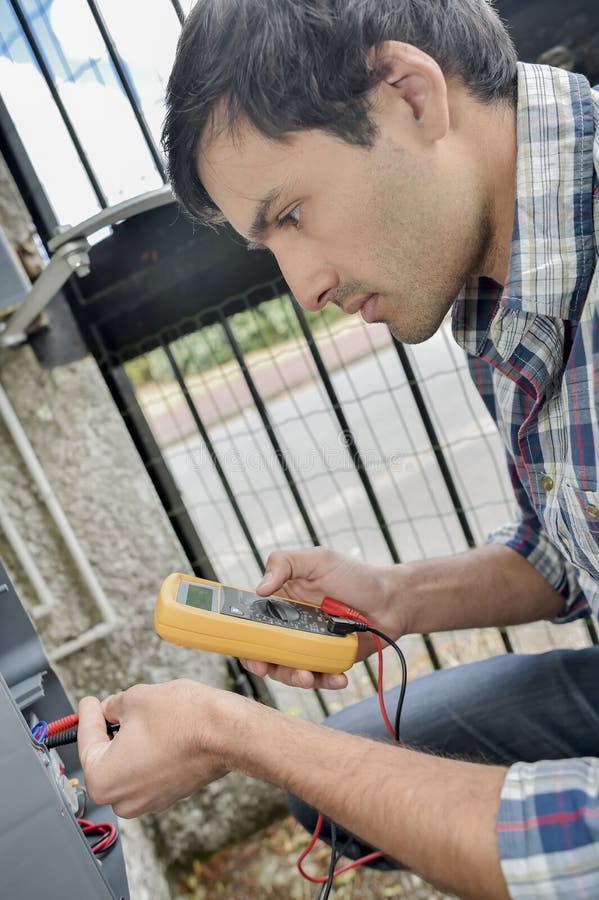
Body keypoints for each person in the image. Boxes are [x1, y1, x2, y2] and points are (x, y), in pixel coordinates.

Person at [77, 1, 599, 896]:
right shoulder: (495, 274)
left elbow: (579, 843)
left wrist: (237, 733)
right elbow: (568, 547)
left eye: (292, 214)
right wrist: (392, 597)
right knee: (345, 780)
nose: (305, 286)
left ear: (408, 94)